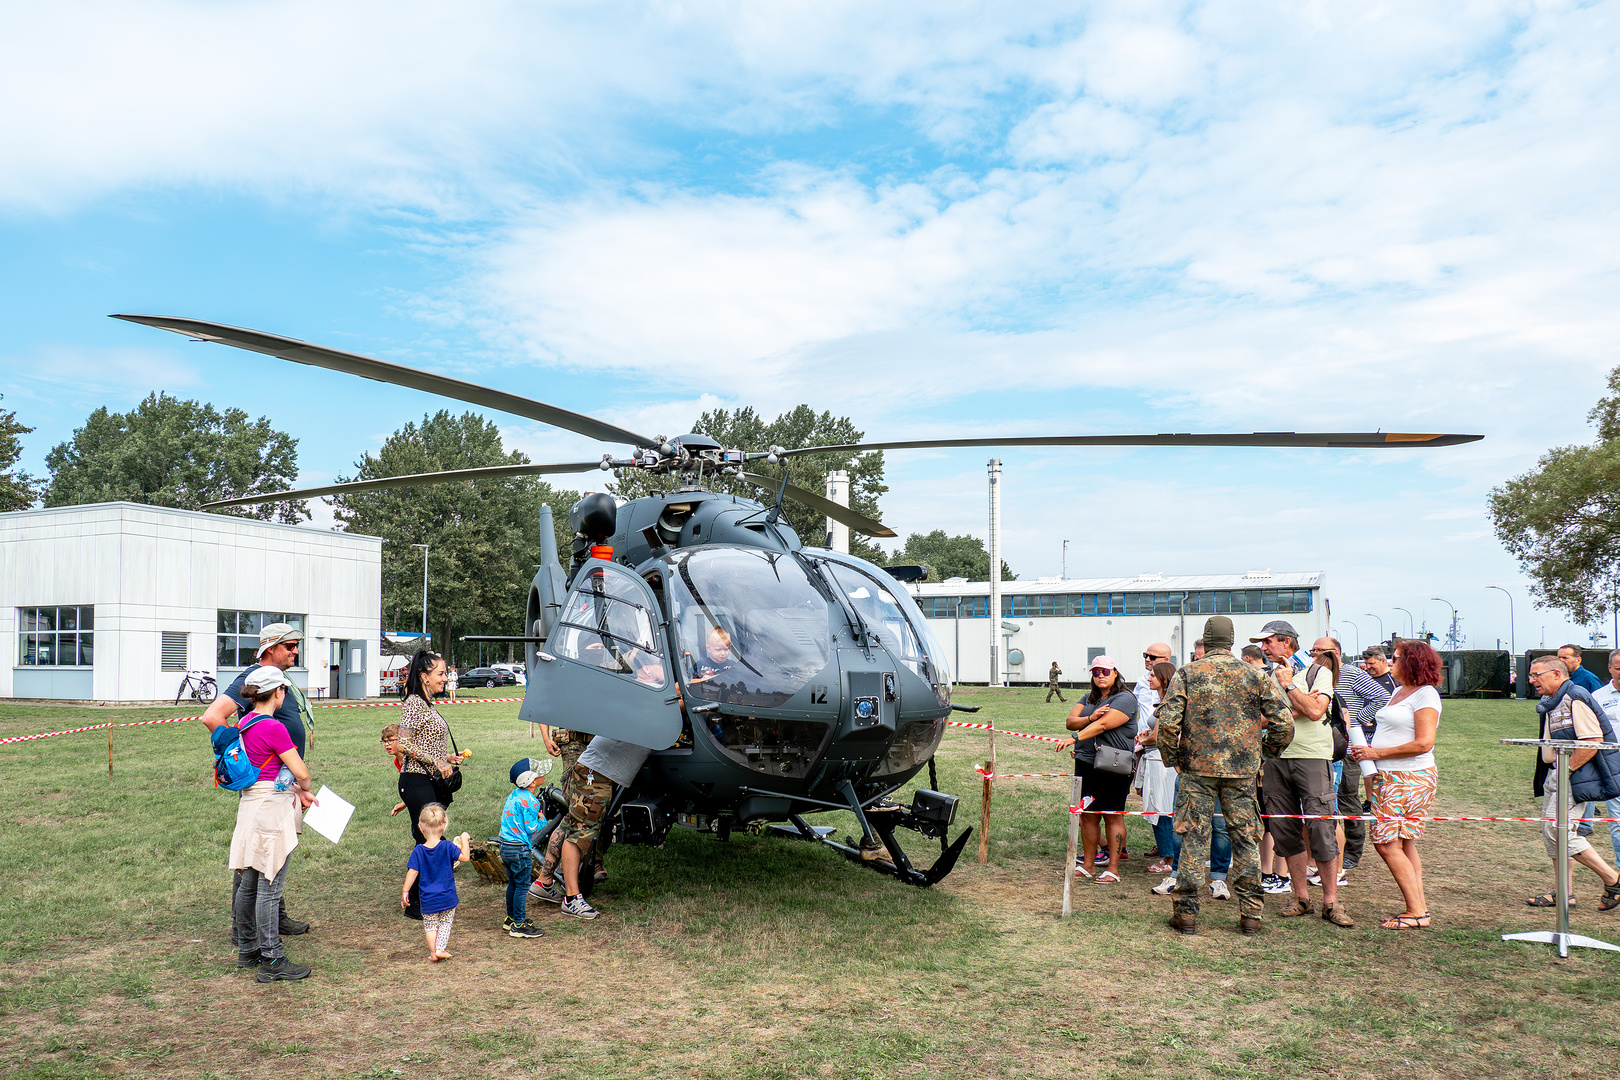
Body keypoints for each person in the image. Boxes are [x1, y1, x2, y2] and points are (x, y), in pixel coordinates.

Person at [1156, 616, 1293, 935]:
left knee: (1193, 838)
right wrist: (1264, 753)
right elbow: (1284, 723)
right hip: (1242, 771)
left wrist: (1173, 758)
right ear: (1231, 640)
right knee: (1246, 838)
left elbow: (1167, 725)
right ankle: (1251, 914)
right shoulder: (1255, 674)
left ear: (1205, 638)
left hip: (1197, 770)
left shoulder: (1187, 673)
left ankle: (1186, 913)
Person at [202, 622, 314, 939]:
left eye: (296, 646)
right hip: (265, 783)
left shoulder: (279, 680)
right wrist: (239, 760)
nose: (295, 651)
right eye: (289, 646)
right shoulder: (252, 679)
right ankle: (246, 930)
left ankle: (273, 917)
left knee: (272, 850)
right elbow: (212, 717)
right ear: (270, 648)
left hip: (283, 779)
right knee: (254, 855)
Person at [1255, 622, 1353, 927]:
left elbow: (1314, 711)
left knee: (1321, 829)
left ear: (1287, 643)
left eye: (1268, 642)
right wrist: (1291, 707)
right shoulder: (1266, 676)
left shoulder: (1317, 672)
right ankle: (1300, 897)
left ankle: (1331, 902)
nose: (1264, 648)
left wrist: (1289, 688)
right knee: (1284, 829)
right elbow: (1258, 718)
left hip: (1312, 758)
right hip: (1275, 758)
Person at [227, 665, 316, 981]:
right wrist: (305, 790)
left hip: (251, 804)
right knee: (270, 884)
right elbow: (301, 771)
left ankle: (247, 948)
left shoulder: (245, 721)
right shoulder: (275, 727)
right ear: (277, 692)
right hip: (272, 809)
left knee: (250, 881)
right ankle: (272, 959)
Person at [1348, 639, 1441, 928]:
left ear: (1413, 662)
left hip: (1408, 776)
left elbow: (1424, 743)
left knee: (1386, 843)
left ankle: (1417, 912)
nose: (1390, 662)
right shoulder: (1400, 691)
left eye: (1396, 658)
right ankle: (1418, 907)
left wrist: (1377, 752)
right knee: (1403, 842)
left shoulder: (1425, 695)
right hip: (1388, 775)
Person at [1525, 655, 1620, 910]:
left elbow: (1591, 741)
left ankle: (1614, 879)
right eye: (1531, 675)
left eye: (1537, 675)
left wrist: (1566, 770)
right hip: (1558, 772)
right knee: (1551, 832)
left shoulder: (1575, 695)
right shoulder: (1552, 700)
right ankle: (1563, 893)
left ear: (1557, 674)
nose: (1532, 680)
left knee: (1559, 831)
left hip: (1574, 775)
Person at [1052, 657, 1137, 883]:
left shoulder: (1125, 698)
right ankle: (1088, 865)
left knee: (1111, 816)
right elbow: (1071, 720)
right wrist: (1089, 717)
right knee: (1088, 816)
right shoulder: (1089, 698)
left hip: (1113, 765)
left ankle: (1113, 869)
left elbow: (1104, 724)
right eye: (1096, 672)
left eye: (1105, 671)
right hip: (1086, 762)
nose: (1100, 675)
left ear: (1115, 673)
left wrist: (1075, 738)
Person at [397, 650, 466, 918]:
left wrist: (447, 757)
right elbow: (403, 744)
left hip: (427, 779)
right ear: (424, 677)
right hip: (415, 779)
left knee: (429, 836)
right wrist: (437, 763)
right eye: (440, 674)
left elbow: (424, 743)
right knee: (429, 837)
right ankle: (415, 902)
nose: (445, 679)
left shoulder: (428, 704)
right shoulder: (414, 702)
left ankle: (422, 898)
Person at [1327, 638, 1393, 873]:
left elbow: (1383, 696)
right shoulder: (1316, 673)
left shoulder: (1353, 674)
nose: (1314, 654)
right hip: (1324, 745)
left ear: (1335, 653)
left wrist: (1358, 717)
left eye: (1319, 651)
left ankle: (1352, 853)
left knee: (1347, 797)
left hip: (1348, 745)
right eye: (1312, 650)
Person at [401, 804, 472, 961]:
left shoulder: (419, 851)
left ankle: (433, 953)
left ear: (420, 828)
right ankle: (440, 948)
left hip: (427, 898)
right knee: (445, 923)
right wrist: (465, 839)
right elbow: (465, 857)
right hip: (447, 896)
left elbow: (412, 872)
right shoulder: (447, 846)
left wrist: (405, 891)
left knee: (430, 927)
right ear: (444, 826)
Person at [499, 764, 548, 939]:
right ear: (533, 782)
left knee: (513, 882)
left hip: (505, 846)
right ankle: (519, 925)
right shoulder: (532, 802)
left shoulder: (513, 795)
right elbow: (531, 828)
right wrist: (542, 820)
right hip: (519, 849)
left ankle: (511, 919)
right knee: (522, 885)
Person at [1587, 650, 1620, 865]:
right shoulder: (1598, 697)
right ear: (1609, 668)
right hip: (1613, 765)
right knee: (1617, 822)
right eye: (1618, 667)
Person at [382, 723, 408, 817]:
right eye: (384, 741)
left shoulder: (410, 759)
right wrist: (404, 803)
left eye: (391, 741)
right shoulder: (397, 761)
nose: (387, 745)